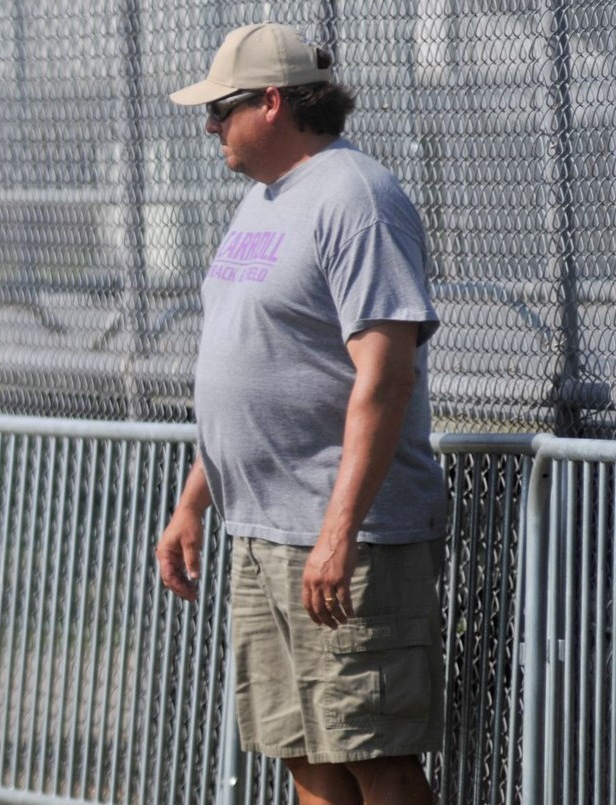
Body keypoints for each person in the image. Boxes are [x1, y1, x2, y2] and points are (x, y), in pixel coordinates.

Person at [156, 23, 446, 805]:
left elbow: (384, 377)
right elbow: (251, 365)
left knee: (374, 755)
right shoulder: (262, 201)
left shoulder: (357, 198)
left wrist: (337, 532)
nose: (209, 126)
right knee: (305, 755)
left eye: (220, 108)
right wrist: (193, 502)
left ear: (271, 102)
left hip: (344, 537)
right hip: (261, 530)